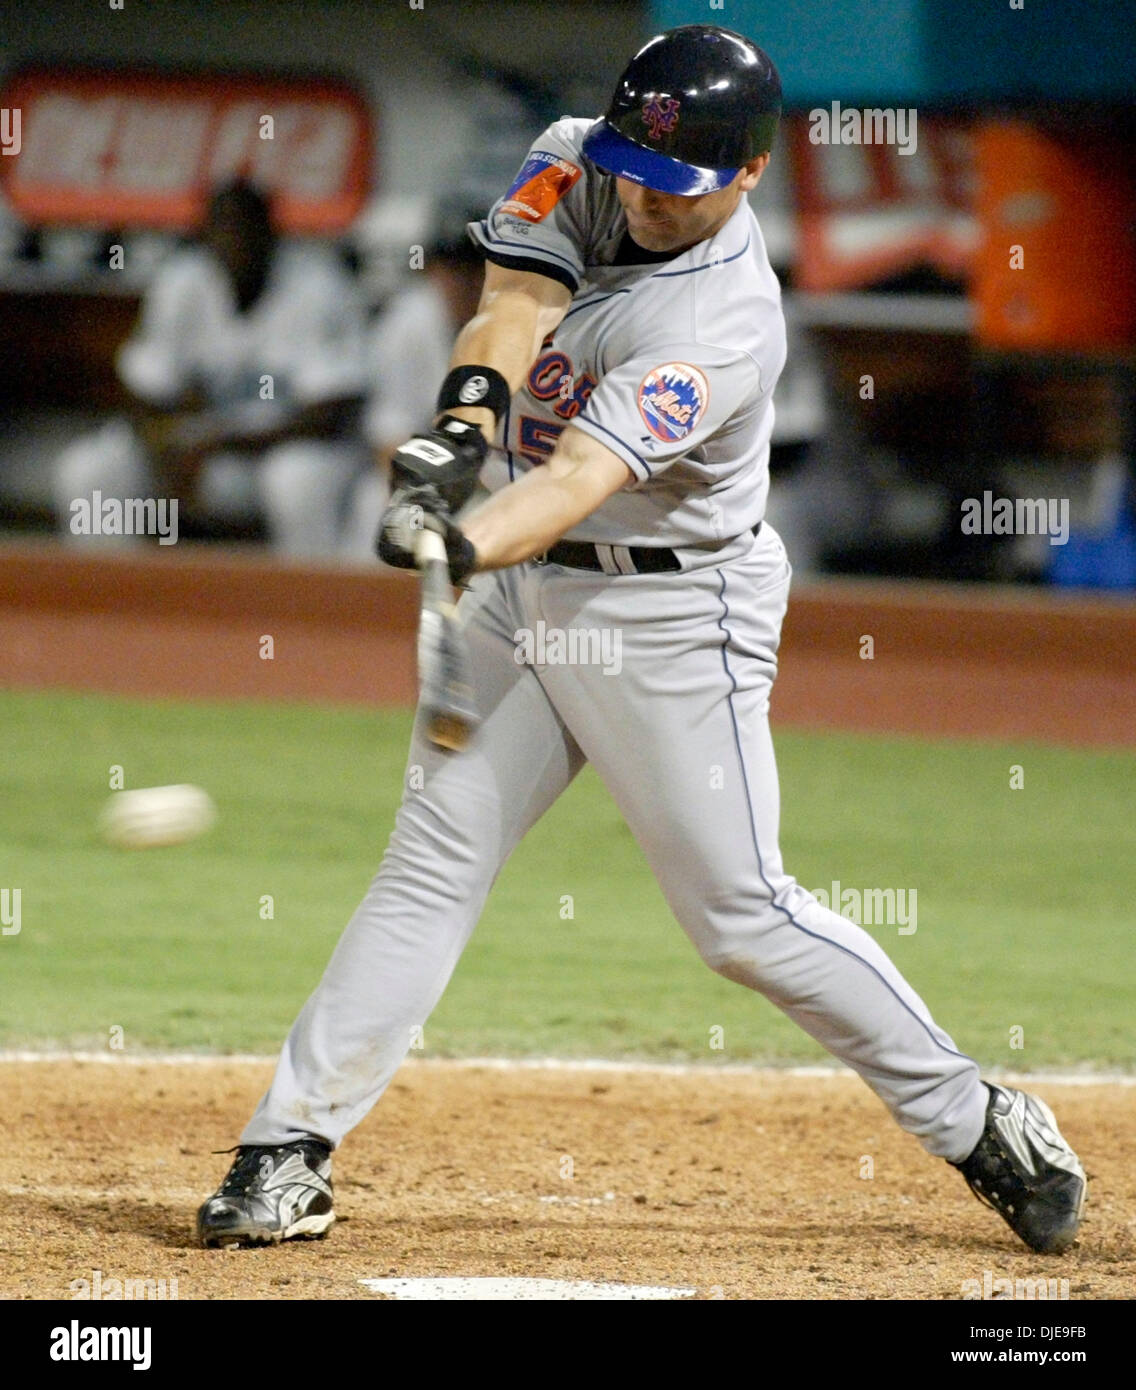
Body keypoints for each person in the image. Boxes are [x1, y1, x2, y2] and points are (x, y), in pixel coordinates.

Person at [196, 26, 1085, 1257]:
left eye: (678, 188)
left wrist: (460, 540)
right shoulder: (575, 159)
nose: (644, 201)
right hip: (524, 593)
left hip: (670, 615)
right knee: (430, 860)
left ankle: (978, 1115)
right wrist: (456, 437)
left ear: (746, 176)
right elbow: (511, 306)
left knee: (740, 918)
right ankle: (283, 1150)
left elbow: (571, 481)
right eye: (634, 171)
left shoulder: (721, 320)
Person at [53, 180, 368, 557]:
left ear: (271, 232)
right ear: (203, 234)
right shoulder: (182, 283)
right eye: (223, 227)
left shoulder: (318, 287)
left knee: (296, 480)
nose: (235, 239)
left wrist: (218, 442)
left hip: (282, 452)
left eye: (245, 227)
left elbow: (329, 416)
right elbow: (143, 390)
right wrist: (166, 446)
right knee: (87, 470)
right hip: (201, 457)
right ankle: (110, 603)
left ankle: (309, 608)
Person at [340, 233, 485, 561]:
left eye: (475, 269)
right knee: (373, 502)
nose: (464, 281)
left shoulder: (515, 322)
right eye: (452, 269)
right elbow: (388, 436)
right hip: (421, 474)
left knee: (484, 514)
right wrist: (431, 488)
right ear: (433, 272)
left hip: (493, 480)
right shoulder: (407, 321)